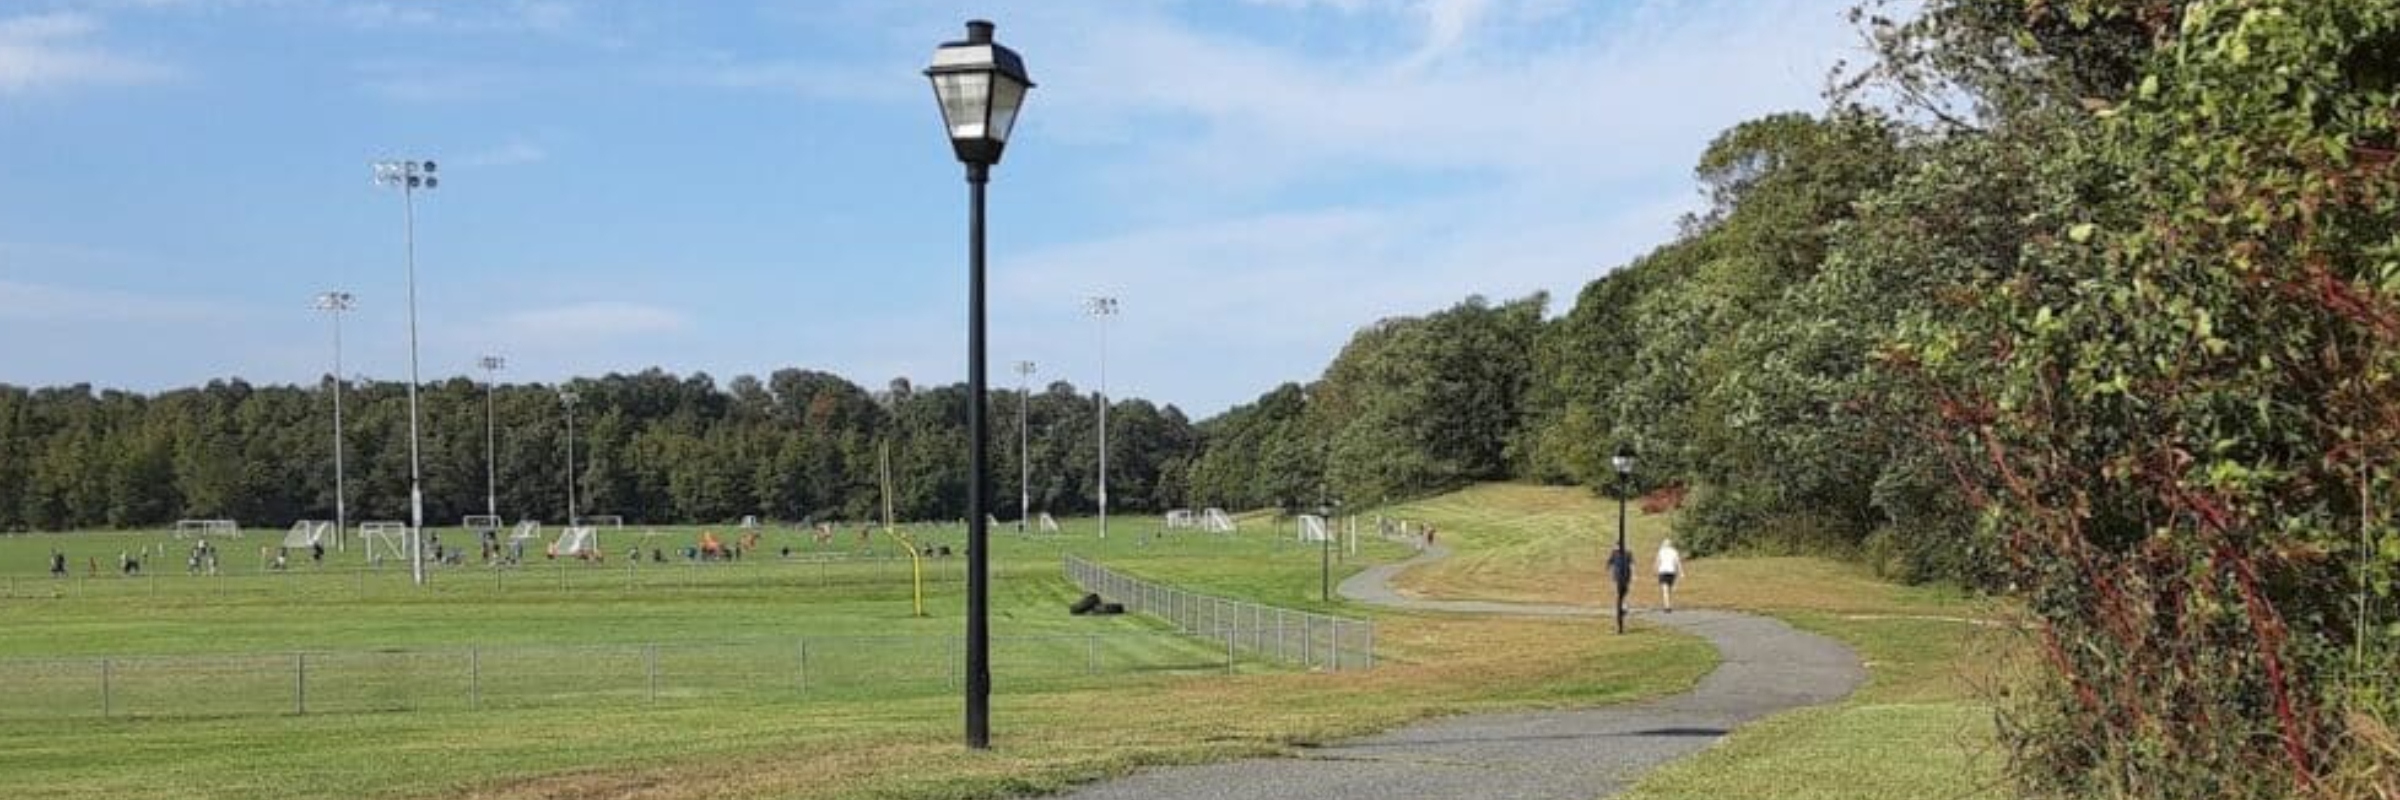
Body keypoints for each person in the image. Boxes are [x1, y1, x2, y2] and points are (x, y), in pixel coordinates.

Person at [1607, 545, 1633, 629]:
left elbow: (1609, 564)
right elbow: (1632, 565)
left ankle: (1622, 609)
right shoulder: (1628, 553)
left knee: (1620, 596)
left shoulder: (1614, 553)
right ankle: (1623, 608)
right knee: (1623, 595)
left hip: (1619, 578)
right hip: (1624, 578)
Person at [1654, 538, 1683, 613]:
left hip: (1663, 571)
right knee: (1668, 589)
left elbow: (1657, 561)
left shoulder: (1661, 551)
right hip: (1671, 572)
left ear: (1664, 544)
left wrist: (1655, 570)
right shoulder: (1674, 551)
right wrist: (1681, 572)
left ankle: (1667, 606)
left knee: (1665, 590)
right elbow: (1678, 562)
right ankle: (1668, 605)